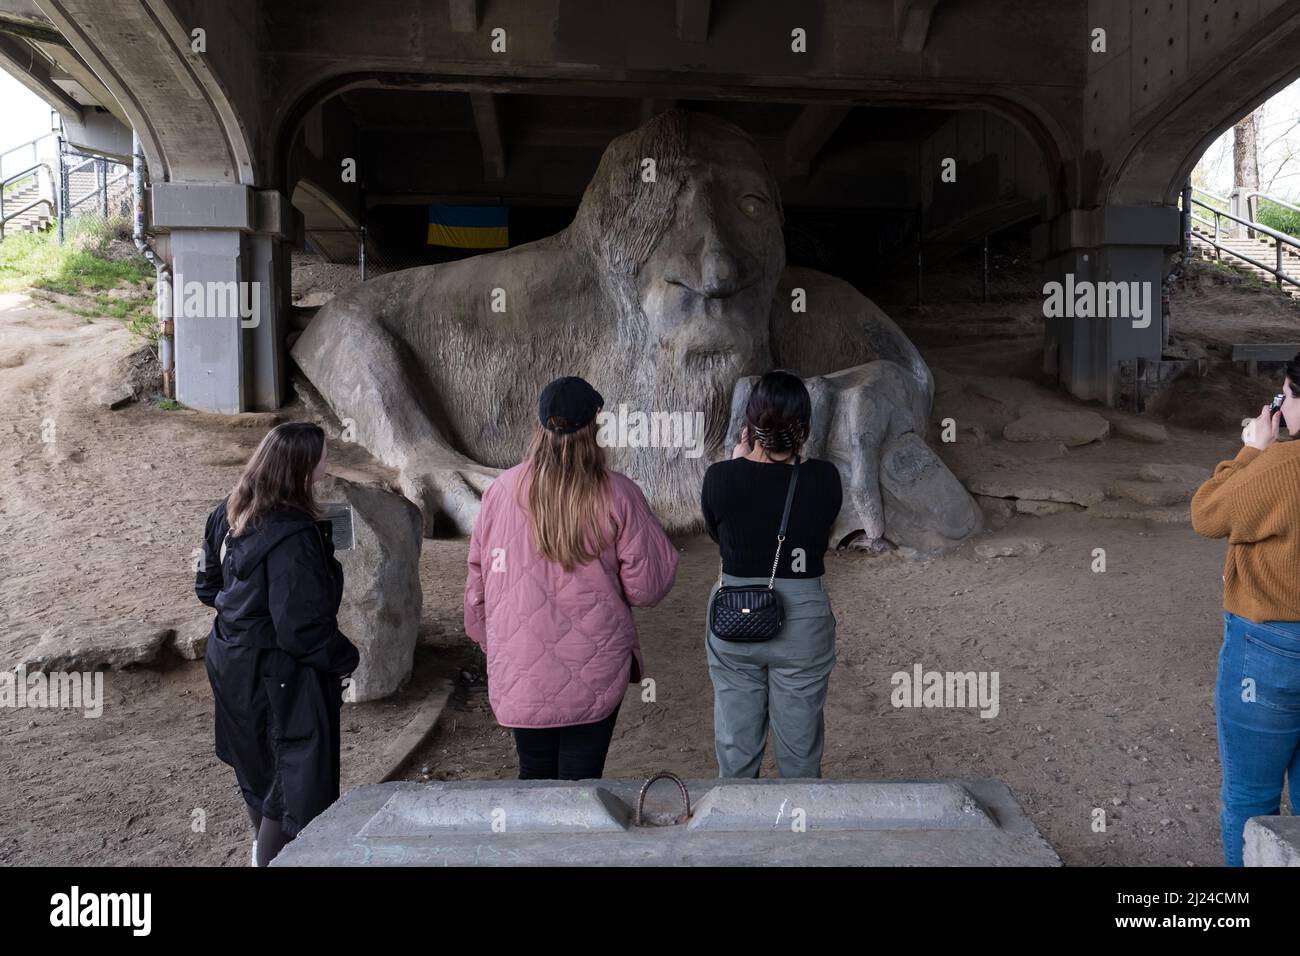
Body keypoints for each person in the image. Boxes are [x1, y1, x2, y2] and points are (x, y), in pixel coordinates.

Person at [464, 376, 679, 780]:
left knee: (534, 777)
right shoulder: (620, 494)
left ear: (540, 426)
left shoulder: (500, 492)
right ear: (594, 427)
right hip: (595, 665)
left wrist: (493, 641)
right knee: (582, 785)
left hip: (522, 663)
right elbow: (647, 587)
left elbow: (478, 580)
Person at [196, 422, 359, 867]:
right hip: (279, 674)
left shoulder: (227, 512)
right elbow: (300, 629)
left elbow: (207, 587)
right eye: (324, 454)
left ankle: (265, 852)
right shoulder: (294, 536)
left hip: (232, 663)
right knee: (294, 786)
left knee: (260, 771)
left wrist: (245, 618)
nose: (329, 459)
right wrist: (347, 658)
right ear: (306, 466)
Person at [701, 370, 843, 778]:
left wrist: (737, 466)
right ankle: (798, 825)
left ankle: (741, 827)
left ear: (749, 426)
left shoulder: (720, 478)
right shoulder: (825, 478)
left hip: (734, 613)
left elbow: (720, 536)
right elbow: (822, 535)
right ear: (807, 428)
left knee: (736, 744)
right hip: (803, 620)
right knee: (801, 749)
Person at [1192, 355, 1300, 866]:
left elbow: (1208, 515)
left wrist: (1252, 451)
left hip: (1270, 646)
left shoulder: (1279, 467)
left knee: (1251, 798)